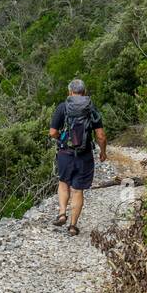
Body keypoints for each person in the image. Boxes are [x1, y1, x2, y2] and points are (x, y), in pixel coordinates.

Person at [48, 79, 106, 236]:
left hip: (65, 153)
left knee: (63, 183)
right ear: (84, 92)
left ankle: (61, 213)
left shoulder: (63, 107)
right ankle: (73, 226)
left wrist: (63, 138)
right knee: (78, 189)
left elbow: (52, 132)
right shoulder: (91, 108)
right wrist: (103, 152)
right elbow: (100, 135)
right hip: (84, 155)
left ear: (69, 92)